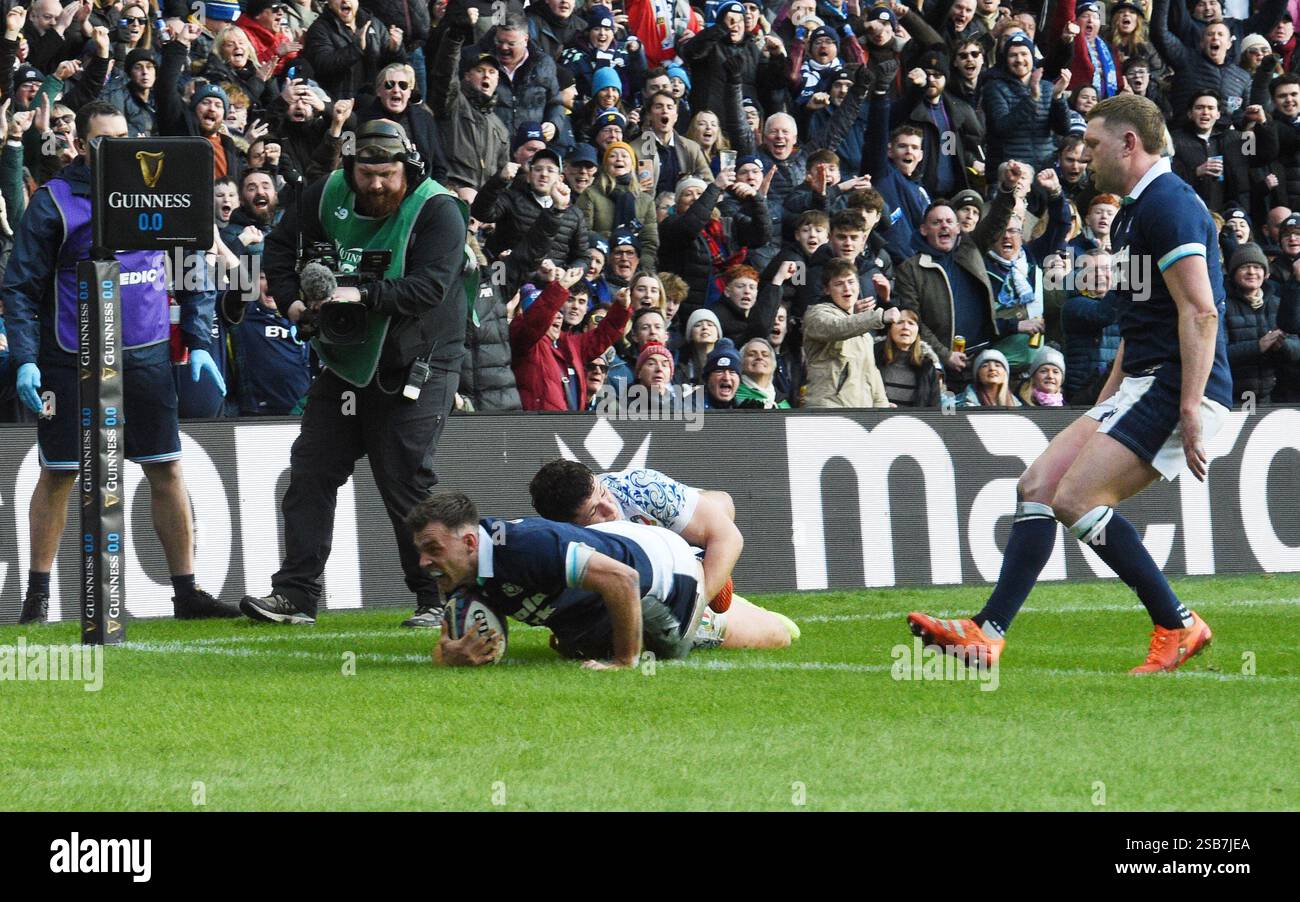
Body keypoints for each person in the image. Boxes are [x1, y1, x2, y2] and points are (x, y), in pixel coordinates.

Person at [908, 94, 1233, 674]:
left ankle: (1176, 623)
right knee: (1036, 487)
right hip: (1145, 381)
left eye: (1093, 144)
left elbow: (1201, 313)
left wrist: (1189, 407)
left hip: (1178, 382)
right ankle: (986, 633)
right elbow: (1140, 322)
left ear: (1130, 143)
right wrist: (1106, 401)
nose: (1084, 156)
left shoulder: (1172, 205)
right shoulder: (1136, 210)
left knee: (1077, 499)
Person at [3, 102, 236, 624]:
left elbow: (190, 260)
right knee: (60, 474)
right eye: (107, 140)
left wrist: (198, 338)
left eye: (126, 136)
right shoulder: (55, 203)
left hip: (147, 353)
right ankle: (37, 597)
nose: (120, 147)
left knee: (166, 468)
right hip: (71, 356)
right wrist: (24, 358)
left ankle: (187, 593)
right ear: (83, 146)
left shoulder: (158, 191)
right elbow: (20, 286)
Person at [242, 119, 473, 629]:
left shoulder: (439, 210)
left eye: (386, 175)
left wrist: (359, 295)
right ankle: (296, 596)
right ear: (350, 168)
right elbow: (279, 249)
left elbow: (428, 288)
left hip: (420, 359)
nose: (374, 185)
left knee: (406, 483)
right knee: (311, 471)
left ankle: (438, 597)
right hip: (346, 359)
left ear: (406, 169)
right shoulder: (327, 193)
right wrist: (294, 302)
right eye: (365, 174)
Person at [413, 492, 709, 669]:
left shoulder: (527, 547)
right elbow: (446, 644)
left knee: (663, 651)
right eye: (421, 552)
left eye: (433, 550)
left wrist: (624, 662)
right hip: (618, 551)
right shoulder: (460, 569)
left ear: (469, 542)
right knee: (575, 642)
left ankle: (709, 621)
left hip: (670, 570)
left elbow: (623, 579)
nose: (424, 563)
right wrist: (448, 654)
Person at [527, 459, 798, 648]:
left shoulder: (640, 488)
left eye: (603, 494)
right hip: (655, 582)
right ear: (568, 527)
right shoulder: (561, 545)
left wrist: (696, 607)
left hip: (684, 558)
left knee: (721, 505)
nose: (610, 509)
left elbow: (728, 536)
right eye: (594, 512)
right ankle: (720, 592)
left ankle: (706, 576)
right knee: (779, 633)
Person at [802, 258, 900, 407]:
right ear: (826, 289)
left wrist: (883, 406)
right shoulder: (816, 314)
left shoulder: (863, 333)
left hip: (860, 415)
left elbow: (871, 373)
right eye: (839, 284)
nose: (847, 288)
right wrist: (879, 316)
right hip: (827, 411)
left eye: (851, 282)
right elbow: (838, 327)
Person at [1225, 241, 1300, 404]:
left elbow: (1297, 347)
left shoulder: (1279, 303)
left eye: (1257, 267)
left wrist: (1283, 345)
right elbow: (1218, 354)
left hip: (1274, 398)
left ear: (1266, 273)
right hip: (1233, 397)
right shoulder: (1222, 307)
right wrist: (1258, 346)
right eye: (1245, 267)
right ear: (1233, 272)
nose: (1252, 272)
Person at [875, 305, 942, 407]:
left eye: (911, 323)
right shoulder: (873, 358)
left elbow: (935, 410)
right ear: (889, 329)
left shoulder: (928, 368)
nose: (905, 327)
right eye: (899, 322)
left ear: (917, 332)